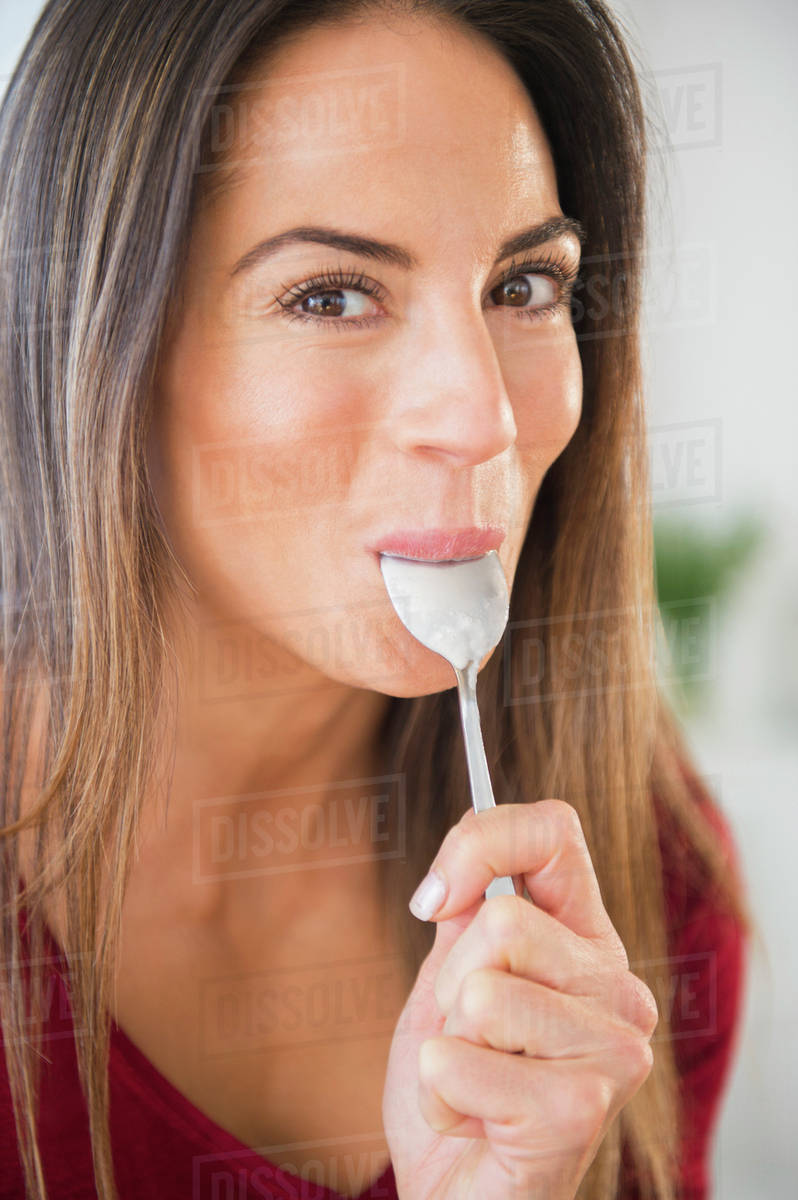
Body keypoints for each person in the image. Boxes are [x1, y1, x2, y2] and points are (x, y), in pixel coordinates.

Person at [0, 1, 751, 1198]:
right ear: (101, 348)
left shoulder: (645, 891)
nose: (483, 417)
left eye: (523, 285)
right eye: (332, 296)